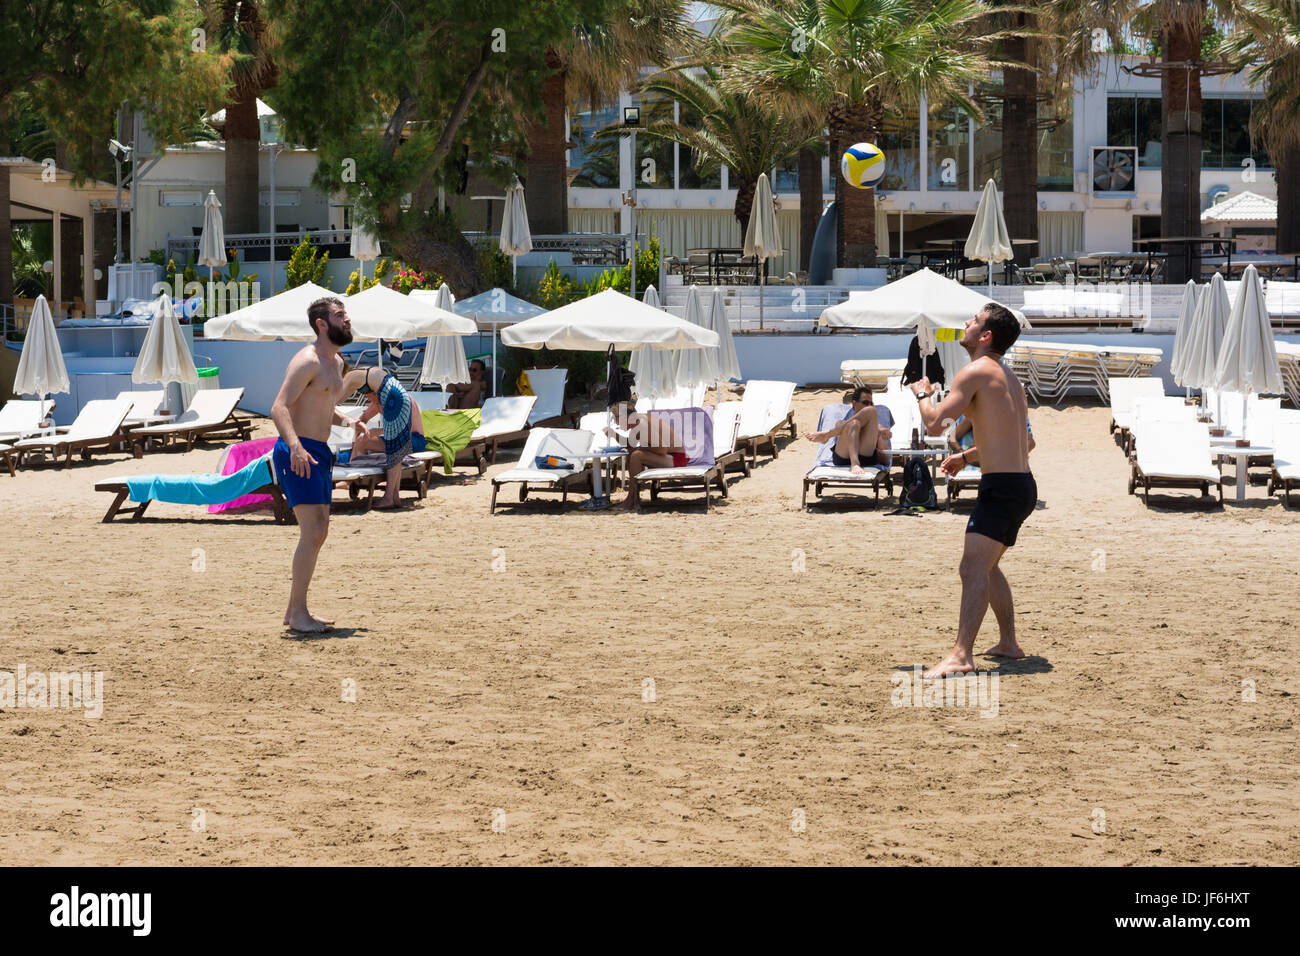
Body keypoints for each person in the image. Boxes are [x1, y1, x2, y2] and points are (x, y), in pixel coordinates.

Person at [910, 302, 1035, 678]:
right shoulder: (1008, 378)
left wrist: (922, 394)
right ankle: (1009, 643)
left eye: (974, 320)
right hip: (1020, 485)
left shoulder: (975, 372)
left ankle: (962, 654)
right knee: (988, 565)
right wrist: (967, 457)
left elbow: (935, 425)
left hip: (1002, 487)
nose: (965, 323)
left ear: (986, 336)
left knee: (973, 566)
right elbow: (1022, 443)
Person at [269, 296, 370, 633]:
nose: (348, 321)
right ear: (322, 324)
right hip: (298, 450)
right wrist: (295, 447)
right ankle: (298, 614)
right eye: (341, 316)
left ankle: (293, 610)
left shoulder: (337, 362)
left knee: (319, 530)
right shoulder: (307, 361)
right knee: (313, 531)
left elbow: (325, 403)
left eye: (347, 315)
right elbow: (279, 407)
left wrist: (348, 421)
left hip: (320, 451)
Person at [352, 366, 419, 509]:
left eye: (367, 394)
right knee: (361, 441)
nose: (366, 397)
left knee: (391, 446)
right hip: (397, 437)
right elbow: (362, 419)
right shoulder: (380, 401)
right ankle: (356, 479)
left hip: (414, 439)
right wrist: (356, 435)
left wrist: (380, 431)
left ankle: (388, 494)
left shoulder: (402, 399)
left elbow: (405, 429)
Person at [609, 402, 687, 512]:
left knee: (636, 455)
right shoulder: (636, 422)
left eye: (616, 418)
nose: (616, 422)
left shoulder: (642, 424)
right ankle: (634, 497)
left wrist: (640, 449)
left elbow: (662, 449)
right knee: (632, 452)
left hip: (677, 458)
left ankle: (631, 501)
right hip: (668, 456)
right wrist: (614, 435)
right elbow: (629, 444)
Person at [803, 386, 894, 474]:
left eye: (871, 403)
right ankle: (854, 463)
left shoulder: (876, 426)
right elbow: (849, 424)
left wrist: (882, 439)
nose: (869, 406)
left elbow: (885, 461)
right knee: (853, 424)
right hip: (843, 457)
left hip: (866, 458)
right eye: (865, 402)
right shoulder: (841, 423)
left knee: (871, 411)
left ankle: (827, 435)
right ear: (854, 403)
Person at [940, 413, 1034, 476]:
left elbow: (1030, 443)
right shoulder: (975, 415)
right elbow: (952, 438)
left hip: (1002, 464)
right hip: (978, 461)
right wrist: (963, 455)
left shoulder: (1010, 415)